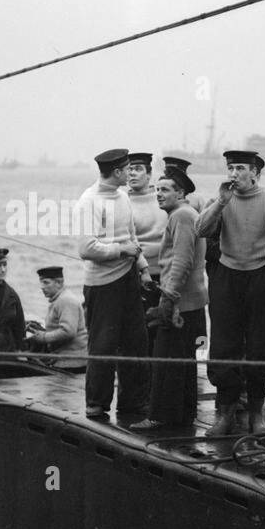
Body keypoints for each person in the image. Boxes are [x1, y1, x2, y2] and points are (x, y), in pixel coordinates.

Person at [195, 149, 265, 436]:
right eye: (231, 167)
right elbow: (200, 229)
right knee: (223, 346)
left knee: (259, 346)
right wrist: (221, 202)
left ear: (255, 173)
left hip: (260, 277)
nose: (234, 173)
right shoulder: (221, 198)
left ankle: (257, 415)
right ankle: (225, 414)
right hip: (227, 276)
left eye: (241, 168)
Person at [131, 169, 208, 431]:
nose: (159, 194)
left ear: (181, 193)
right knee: (183, 363)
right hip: (190, 302)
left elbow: (182, 260)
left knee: (165, 361)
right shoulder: (182, 215)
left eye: (165, 190)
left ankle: (159, 417)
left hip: (179, 304)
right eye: (157, 189)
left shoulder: (183, 216)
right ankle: (183, 416)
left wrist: (169, 298)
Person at [76, 147, 150, 419]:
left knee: (136, 343)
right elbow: (86, 248)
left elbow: (132, 237)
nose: (131, 173)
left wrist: (143, 269)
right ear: (117, 172)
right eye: (128, 169)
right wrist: (121, 251)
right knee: (103, 345)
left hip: (129, 279)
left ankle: (133, 403)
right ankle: (96, 404)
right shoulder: (89, 200)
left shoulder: (122, 197)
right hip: (102, 285)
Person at [124, 152, 166, 351]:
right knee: (137, 332)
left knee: (164, 332)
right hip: (136, 275)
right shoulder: (122, 202)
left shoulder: (163, 197)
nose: (132, 173)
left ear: (149, 174)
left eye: (138, 169)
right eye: (129, 169)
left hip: (166, 274)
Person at [25, 265, 87, 370]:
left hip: (73, 362)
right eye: (41, 282)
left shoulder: (66, 301)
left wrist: (43, 337)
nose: (42, 287)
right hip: (64, 358)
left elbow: (68, 331)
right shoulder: (59, 299)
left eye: (46, 282)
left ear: (59, 283)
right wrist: (39, 330)